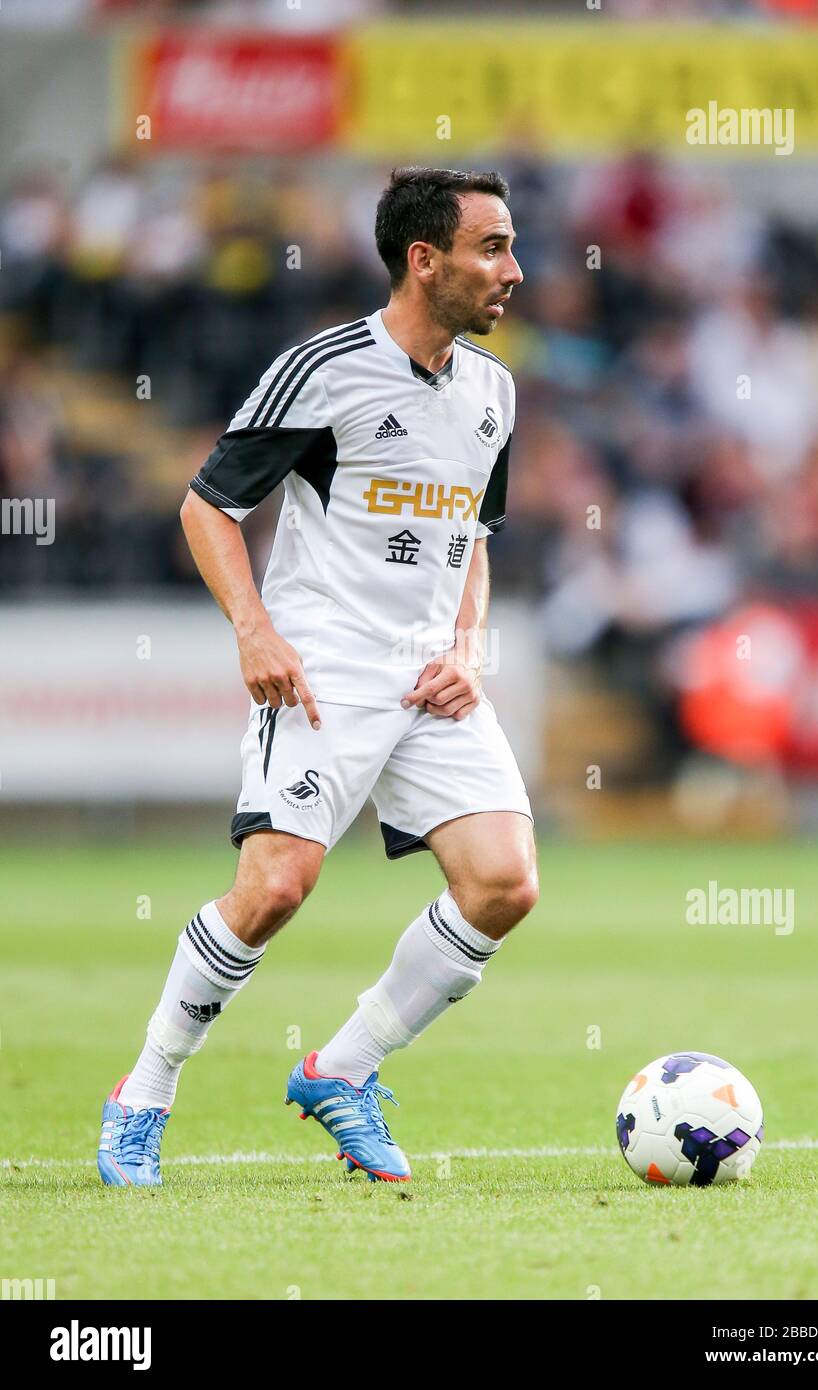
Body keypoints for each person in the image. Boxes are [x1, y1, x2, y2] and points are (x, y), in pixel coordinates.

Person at [97, 167, 538, 1187]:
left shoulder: (493, 391)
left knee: (504, 883)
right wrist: (254, 630)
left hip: (429, 677)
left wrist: (465, 645)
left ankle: (343, 1067)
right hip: (322, 668)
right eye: (491, 247)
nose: (512, 270)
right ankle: (144, 1090)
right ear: (423, 260)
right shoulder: (324, 368)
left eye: (511, 247)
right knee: (275, 887)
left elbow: (474, 534)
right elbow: (207, 508)